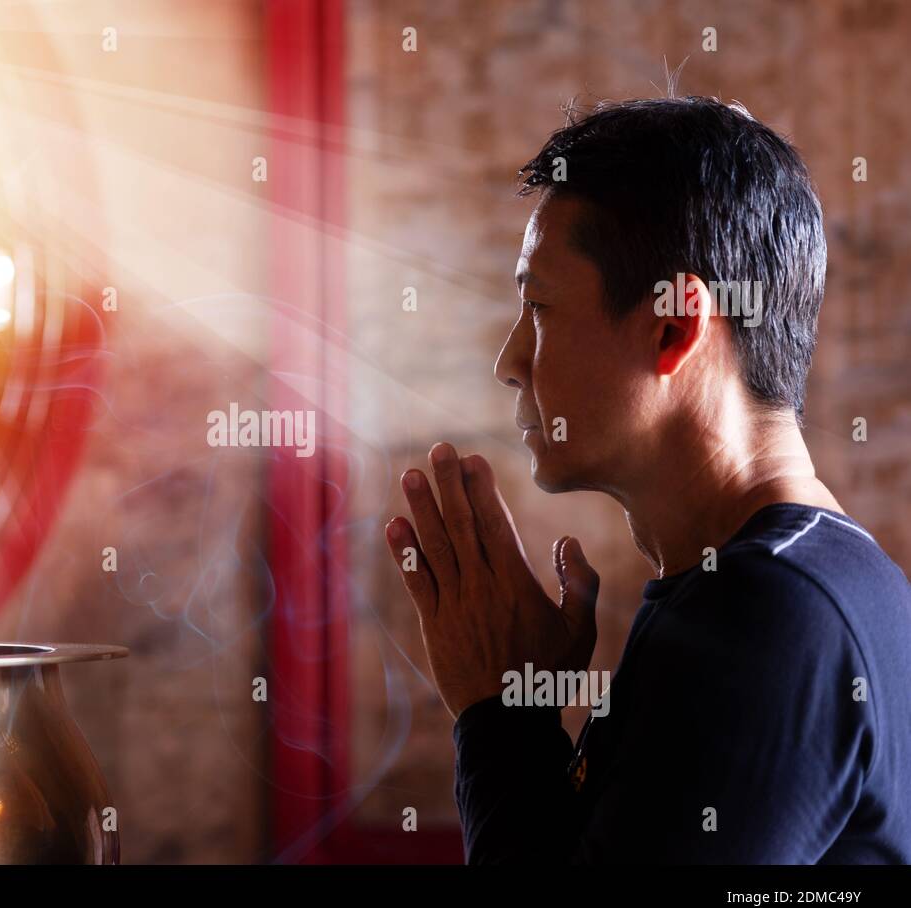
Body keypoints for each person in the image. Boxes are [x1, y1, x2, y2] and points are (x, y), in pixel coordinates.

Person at [383, 96, 911, 863]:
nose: (509, 361)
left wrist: (498, 718)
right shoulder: (811, 579)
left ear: (674, 327)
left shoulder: (768, 616)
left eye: (537, 305)